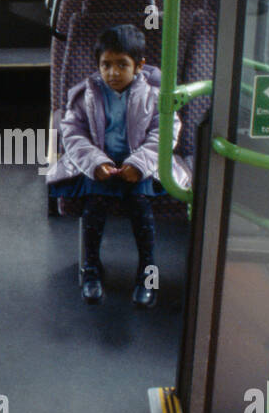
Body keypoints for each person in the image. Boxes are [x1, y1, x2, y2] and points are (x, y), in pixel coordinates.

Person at [46, 25, 191, 308]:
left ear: (139, 66)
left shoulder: (156, 95)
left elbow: (164, 133)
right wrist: (96, 161)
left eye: (122, 65)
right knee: (94, 205)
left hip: (141, 167)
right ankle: (91, 267)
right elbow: (73, 133)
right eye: (106, 65)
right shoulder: (84, 95)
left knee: (140, 205)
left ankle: (147, 272)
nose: (113, 72)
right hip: (98, 165)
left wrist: (138, 163)